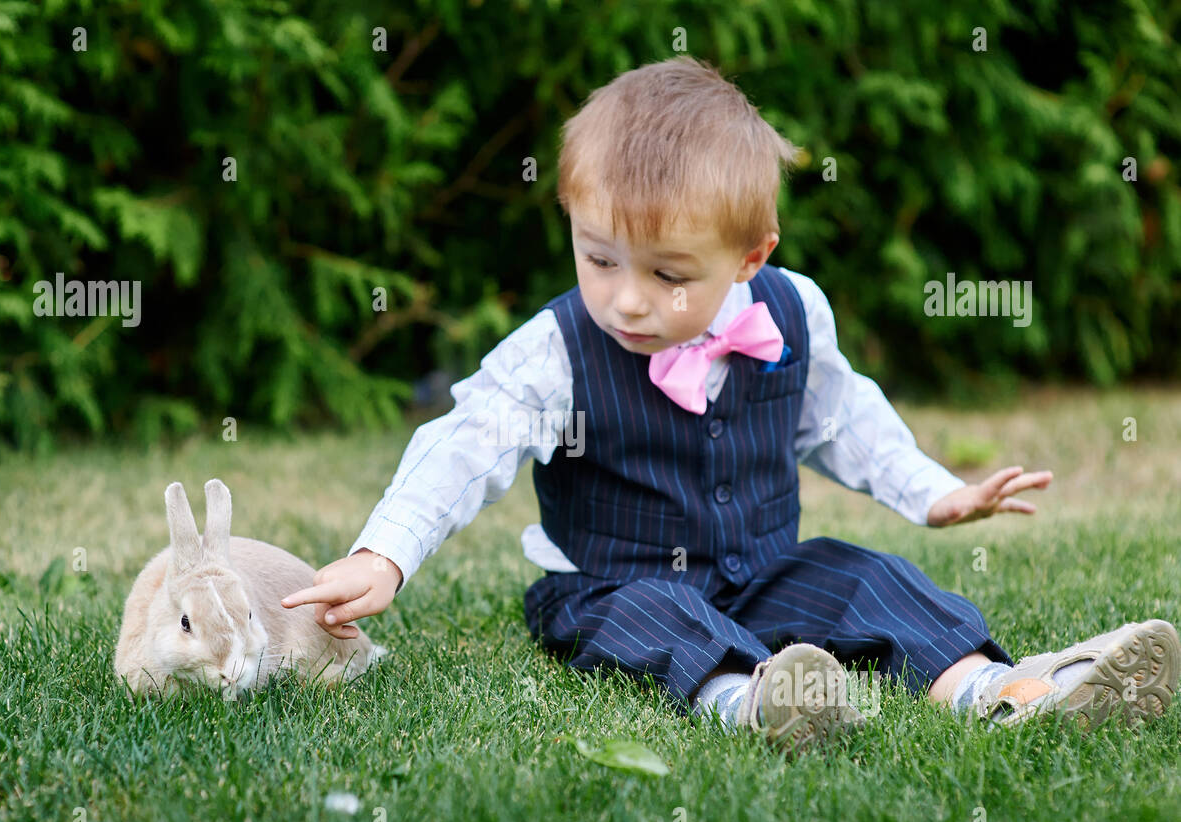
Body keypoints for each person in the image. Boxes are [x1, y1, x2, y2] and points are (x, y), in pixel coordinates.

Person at [281, 55, 1179, 753]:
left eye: (669, 275)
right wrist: (384, 554)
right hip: (610, 581)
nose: (627, 300)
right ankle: (761, 702)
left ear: (751, 255)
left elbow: (842, 418)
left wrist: (931, 489)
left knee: (869, 576)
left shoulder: (795, 310)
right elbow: (464, 443)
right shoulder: (556, 349)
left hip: (760, 571)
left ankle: (1011, 693)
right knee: (653, 616)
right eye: (598, 259)